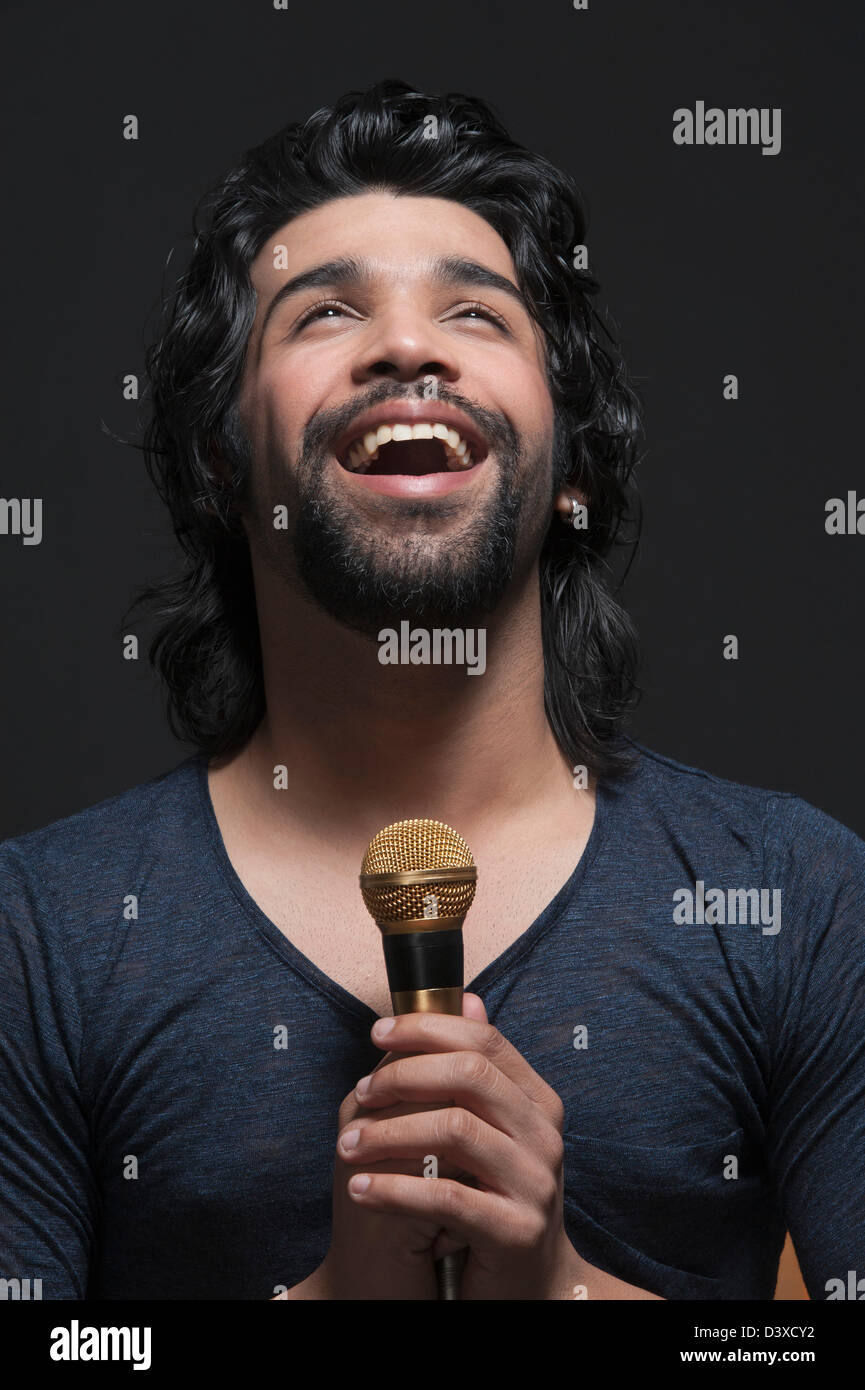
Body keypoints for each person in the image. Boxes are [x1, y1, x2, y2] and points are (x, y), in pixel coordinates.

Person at [1, 79, 862, 1302]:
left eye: (475, 311)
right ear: (220, 455)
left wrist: (562, 1288)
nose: (407, 347)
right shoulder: (37, 936)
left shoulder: (796, 899)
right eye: (324, 312)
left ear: (569, 456)